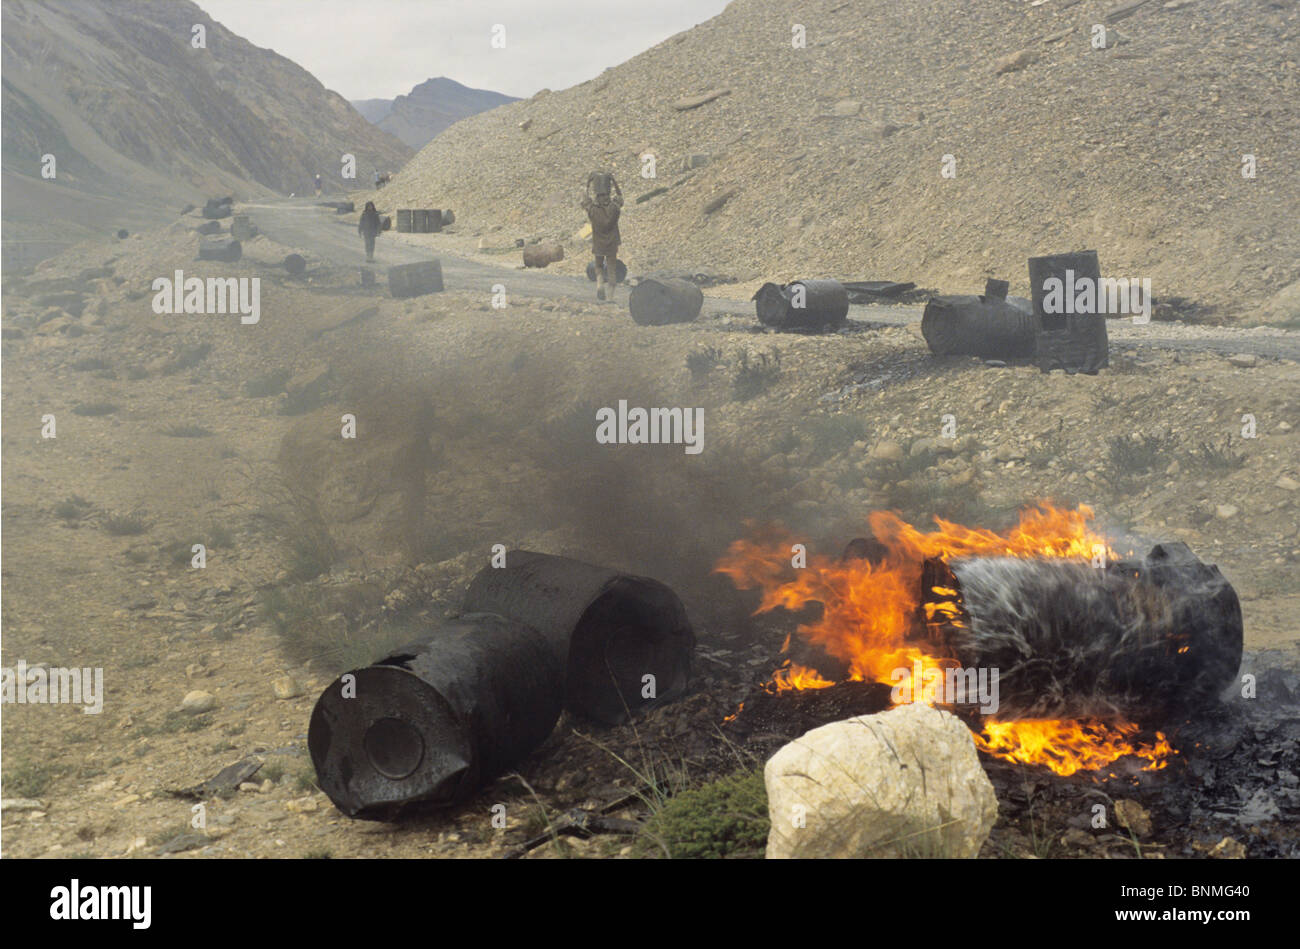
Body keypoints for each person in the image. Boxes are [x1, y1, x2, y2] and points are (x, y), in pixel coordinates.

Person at [581, 170, 623, 301]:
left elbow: (584, 199)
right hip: (611, 243)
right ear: (608, 194)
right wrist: (614, 182)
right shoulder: (615, 208)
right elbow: (620, 197)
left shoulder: (592, 210)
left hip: (598, 242)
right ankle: (610, 297)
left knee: (598, 266)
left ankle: (599, 283)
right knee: (611, 268)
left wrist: (587, 184)